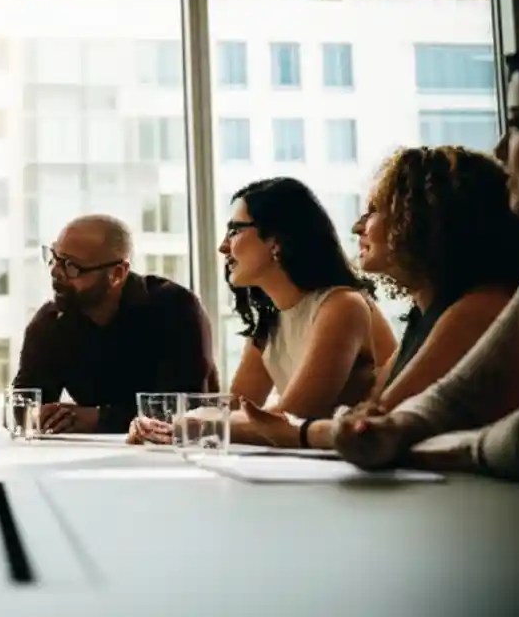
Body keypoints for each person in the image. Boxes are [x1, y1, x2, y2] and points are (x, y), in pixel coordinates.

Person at [333, 26, 519, 486]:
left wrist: (408, 442)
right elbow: (454, 398)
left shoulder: (482, 303)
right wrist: (395, 429)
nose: (501, 150)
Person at [242, 147, 519, 448]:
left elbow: (372, 426)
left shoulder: (478, 310)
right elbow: (368, 411)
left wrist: (297, 431)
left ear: (420, 220)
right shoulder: (426, 314)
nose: (357, 226)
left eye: (373, 210)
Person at [130, 178, 396, 445]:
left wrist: (190, 425)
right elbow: (237, 408)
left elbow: (290, 419)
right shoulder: (272, 320)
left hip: (362, 464)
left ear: (276, 240)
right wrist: (163, 424)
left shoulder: (342, 306)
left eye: (235, 231)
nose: (223, 247)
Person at [17, 215, 218, 435]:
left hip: (180, 451)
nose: (55, 272)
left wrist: (98, 419)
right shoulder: (52, 321)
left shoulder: (174, 308)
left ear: (117, 274)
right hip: (97, 451)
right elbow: (22, 404)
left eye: (71, 266)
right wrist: (38, 416)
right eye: (54, 258)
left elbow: (184, 411)